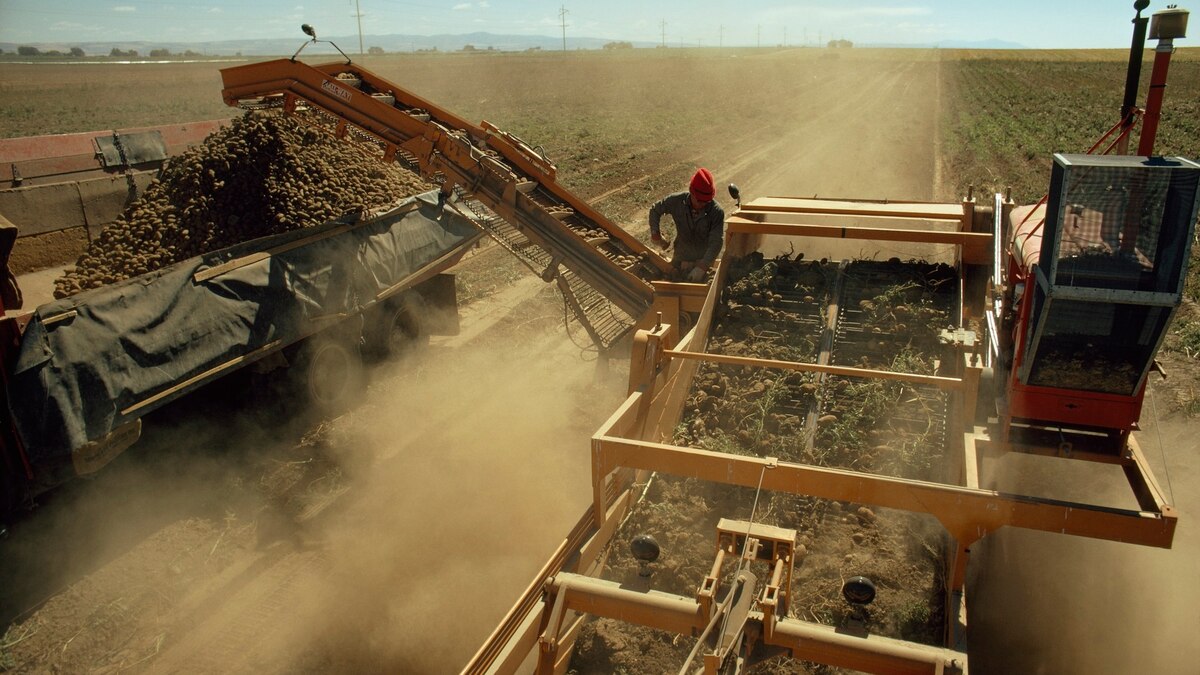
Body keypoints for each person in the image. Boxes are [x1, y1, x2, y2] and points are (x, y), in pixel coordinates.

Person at [648, 167, 725, 282]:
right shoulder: (677, 201)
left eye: (706, 201)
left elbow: (716, 241)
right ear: (691, 192)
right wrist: (655, 234)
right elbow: (655, 210)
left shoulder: (716, 212)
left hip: (703, 260)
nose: (702, 204)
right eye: (699, 200)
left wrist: (703, 267)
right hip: (681, 257)